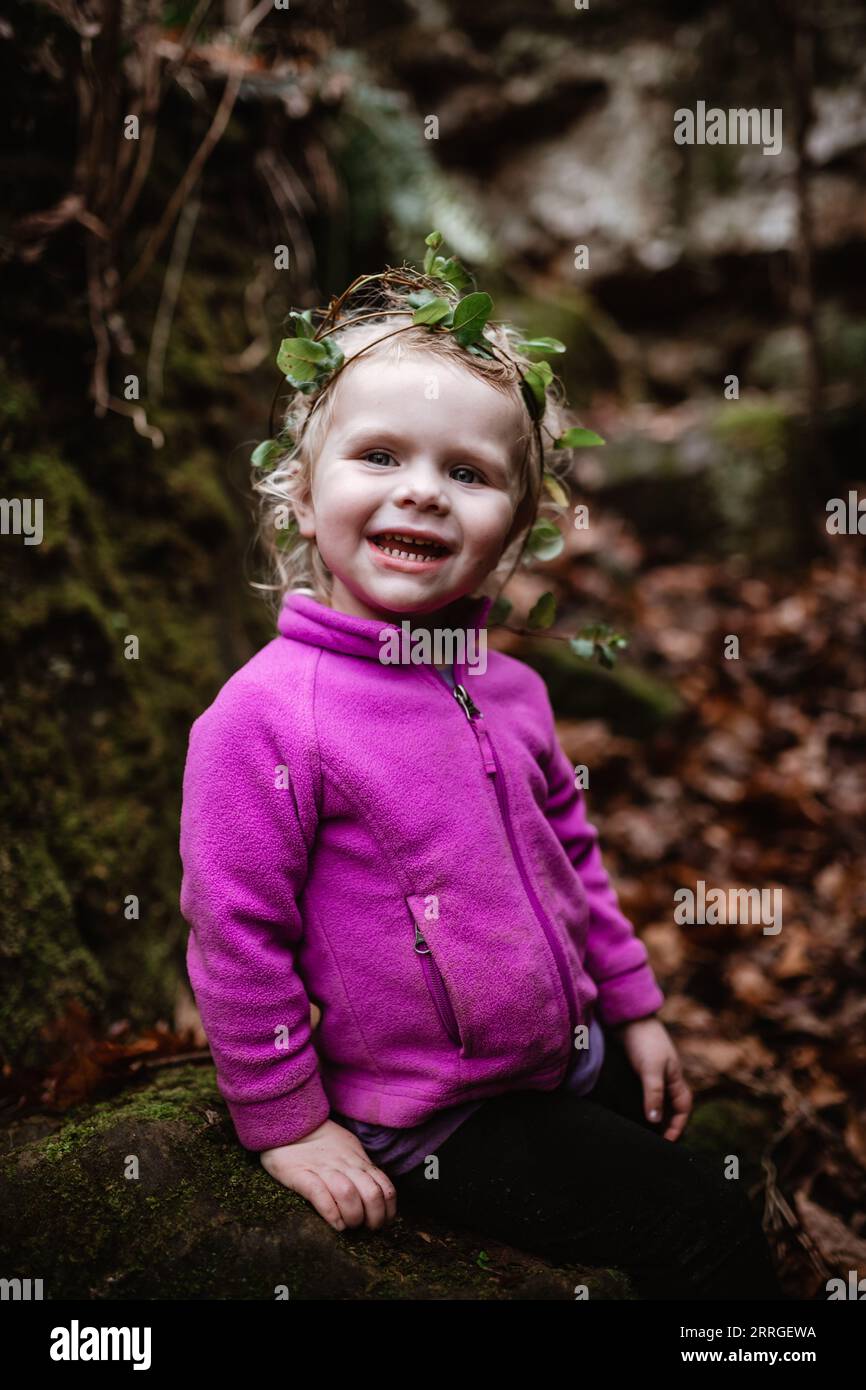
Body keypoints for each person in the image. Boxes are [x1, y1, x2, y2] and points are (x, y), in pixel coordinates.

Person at [179, 249, 784, 1300]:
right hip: (434, 1113)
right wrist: (287, 1123)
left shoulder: (505, 688)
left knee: (700, 1141)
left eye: (466, 472)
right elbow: (234, 930)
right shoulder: (269, 716)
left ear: (515, 525)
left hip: (563, 1055)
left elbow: (572, 856)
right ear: (300, 487)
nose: (420, 490)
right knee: (707, 1227)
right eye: (378, 455)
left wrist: (631, 1007)